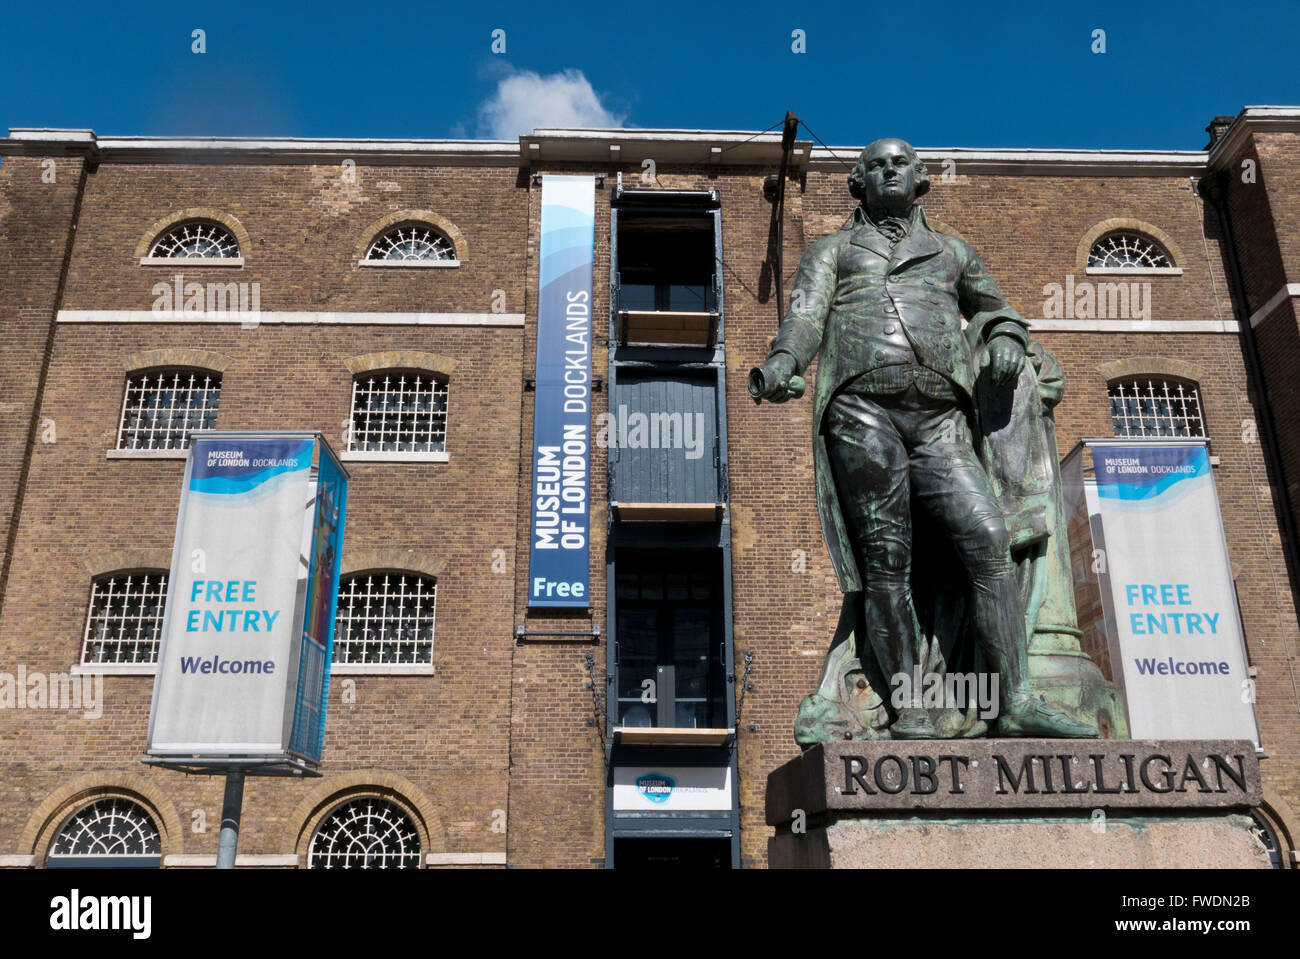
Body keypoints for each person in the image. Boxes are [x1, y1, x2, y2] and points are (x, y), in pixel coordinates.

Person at [750, 138, 1097, 739]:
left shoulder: (952, 252)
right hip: (862, 410)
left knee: (988, 538)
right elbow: (804, 316)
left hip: (941, 419)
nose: (890, 169)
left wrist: (1008, 340)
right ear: (857, 181)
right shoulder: (831, 250)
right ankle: (911, 704)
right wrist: (783, 364)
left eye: (901, 162)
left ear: (921, 179)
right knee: (887, 561)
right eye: (877, 164)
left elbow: (997, 310)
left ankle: (1013, 699)